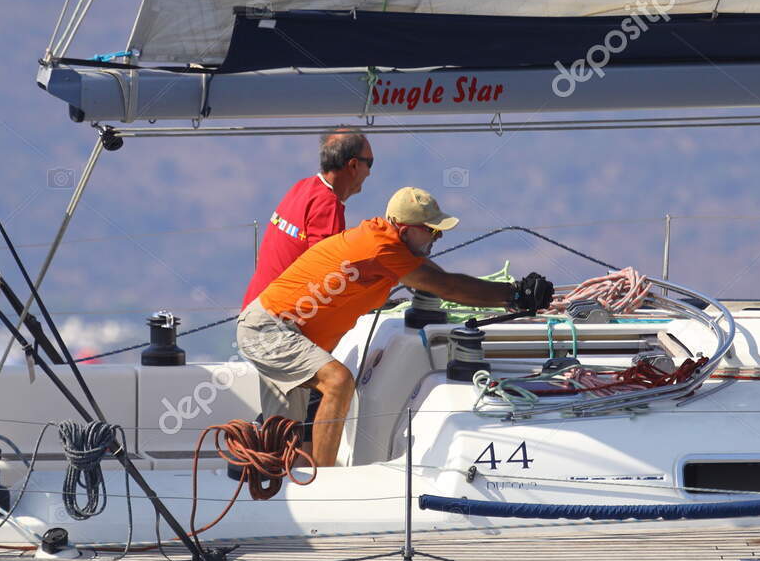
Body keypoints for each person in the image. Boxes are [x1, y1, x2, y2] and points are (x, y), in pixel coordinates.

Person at [237, 187, 553, 468]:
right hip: (270, 330)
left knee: (284, 444)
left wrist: (511, 295)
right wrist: (513, 294)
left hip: (281, 329)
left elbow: (438, 278)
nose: (438, 237)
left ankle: (284, 486)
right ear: (404, 229)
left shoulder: (387, 242)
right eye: (432, 230)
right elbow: (447, 286)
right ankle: (324, 485)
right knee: (338, 381)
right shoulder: (382, 249)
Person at [240, 129, 374, 309]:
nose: (369, 173)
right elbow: (326, 278)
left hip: (254, 308)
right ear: (353, 165)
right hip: (279, 317)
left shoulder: (302, 187)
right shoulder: (327, 206)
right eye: (370, 163)